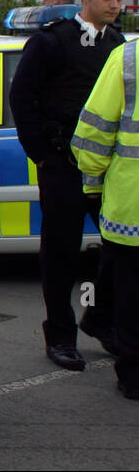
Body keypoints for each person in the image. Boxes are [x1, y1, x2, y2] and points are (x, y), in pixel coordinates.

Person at [10, 0, 130, 369]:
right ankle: (60, 336)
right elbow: (22, 98)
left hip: (107, 170)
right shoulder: (51, 41)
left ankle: (99, 319)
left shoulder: (118, 46)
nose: (115, 5)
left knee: (120, 249)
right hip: (62, 164)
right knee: (60, 253)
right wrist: (40, 153)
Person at [72, 36, 139, 397]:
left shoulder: (127, 57)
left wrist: (93, 182)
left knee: (130, 288)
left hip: (130, 203)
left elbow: (93, 132)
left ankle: (132, 372)